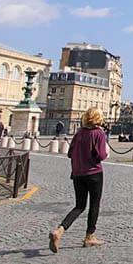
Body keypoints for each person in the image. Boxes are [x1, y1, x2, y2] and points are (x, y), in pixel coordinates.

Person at [49, 107, 109, 252]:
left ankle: (60, 230)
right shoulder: (99, 133)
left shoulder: (79, 133)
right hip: (94, 173)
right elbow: (101, 155)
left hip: (77, 174)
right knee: (94, 205)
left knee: (79, 206)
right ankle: (89, 236)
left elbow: (70, 153)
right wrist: (106, 152)